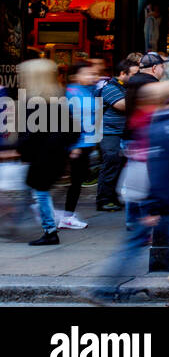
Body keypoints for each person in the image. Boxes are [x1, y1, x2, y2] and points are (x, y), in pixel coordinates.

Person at [86, 80, 169, 306]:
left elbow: (157, 170)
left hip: (160, 200)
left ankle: (105, 290)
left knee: (130, 247)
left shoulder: (157, 129)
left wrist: (154, 206)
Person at [15, 59, 75, 246]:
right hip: (53, 155)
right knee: (38, 191)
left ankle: (49, 230)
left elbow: (29, 135)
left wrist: (18, 148)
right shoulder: (58, 100)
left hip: (42, 157)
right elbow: (73, 130)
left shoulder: (34, 102)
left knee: (39, 192)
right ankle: (36, 224)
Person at [60, 60, 101, 230]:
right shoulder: (71, 93)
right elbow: (70, 121)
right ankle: (66, 216)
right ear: (75, 76)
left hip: (86, 142)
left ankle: (65, 213)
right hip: (77, 144)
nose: (92, 76)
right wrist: (74, 145)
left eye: (92, 73)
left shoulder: (88, 90)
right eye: (87, 73)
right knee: (75, 181)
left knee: (79, 179)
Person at [96, 59, 131, 212]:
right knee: (111, 163)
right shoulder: (111, 87)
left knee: (117, 165)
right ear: (123, 73)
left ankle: (112, 197)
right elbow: (123, 105)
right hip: (109, 132)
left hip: (120, 132)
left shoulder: (126, 87)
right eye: (134, 74)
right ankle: (104, 200)